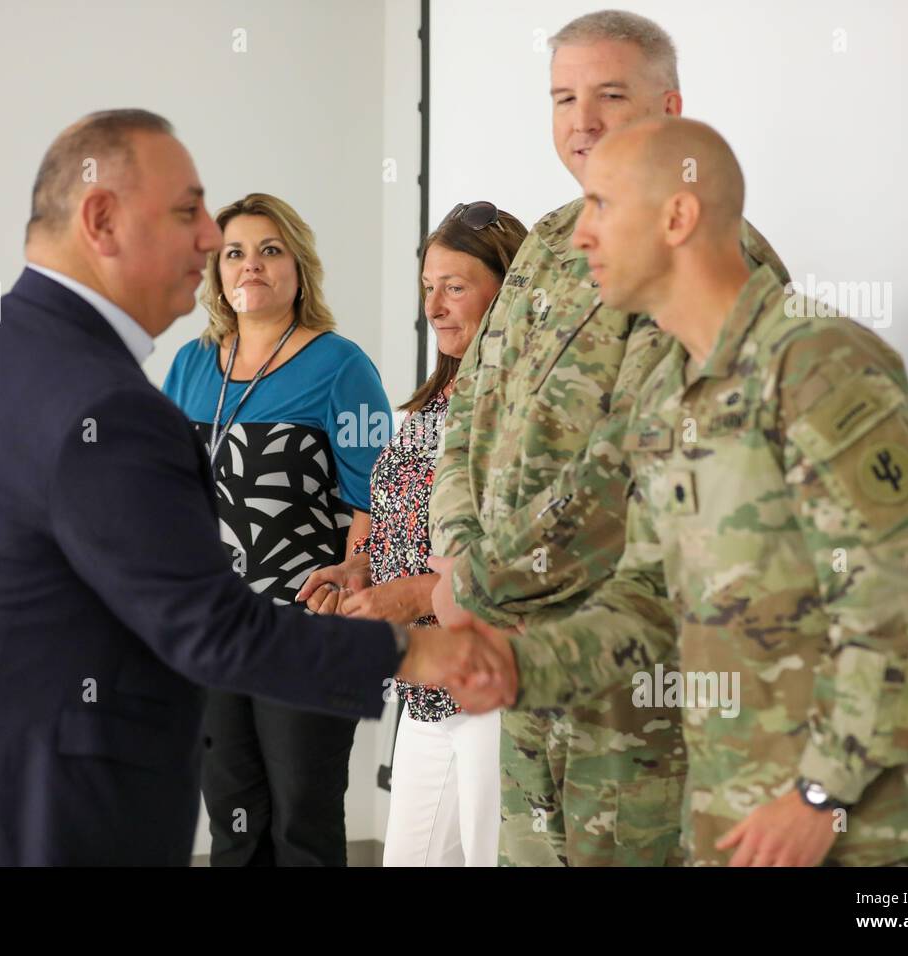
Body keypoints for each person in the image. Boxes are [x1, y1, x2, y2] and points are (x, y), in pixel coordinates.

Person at [0, 109, 494, 867]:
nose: (209, 240)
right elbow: (209, 626)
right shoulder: (107, 402)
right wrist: (417, 653)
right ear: (102, 220)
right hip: (27, 817)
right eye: (188, 213)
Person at [475, 116, 908, 866]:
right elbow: (645, 598)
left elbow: (888, 602)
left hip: (850, 835)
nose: (580, 237)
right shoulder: (669, 392)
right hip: (727, 821)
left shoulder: (816, 364)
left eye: (603, 206)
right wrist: (516, 665)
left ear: (678, 214)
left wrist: (819, 796)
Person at [427, 9, 789, 866]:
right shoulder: (552, 242)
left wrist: (480, 585)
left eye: (608, 95)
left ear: (670, 108)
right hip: (521, 657)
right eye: (563, 98)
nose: (580, 120)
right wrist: (456, 553)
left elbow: (636, 472)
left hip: (634, 679)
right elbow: (467, 415)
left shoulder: (710, 251)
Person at [162, 193, 394, 866]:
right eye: (235, 251)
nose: (251, 265)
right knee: (232, 817)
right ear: (216, 270)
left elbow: (377, 499)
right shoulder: (192, 364)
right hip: (215, 628)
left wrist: (355, 583)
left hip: (307, 627)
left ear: (299, 267)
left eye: (270, 250)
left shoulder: (340, 367)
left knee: (303, 817)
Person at [297, 202, 528, 866]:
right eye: (428, 287)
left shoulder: (525, 402)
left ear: (506, 286)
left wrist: (422, 595)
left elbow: (524, 553)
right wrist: (361, 567)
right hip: (425, 687)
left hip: (492, 681)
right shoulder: (435, 399)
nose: (434, 305)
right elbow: (393, 507)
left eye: (455, 286)